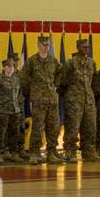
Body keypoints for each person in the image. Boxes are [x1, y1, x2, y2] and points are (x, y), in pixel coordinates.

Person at [21, 36, 63, 164]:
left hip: (52, 99)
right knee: (37, 127)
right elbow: (24, 77)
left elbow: (60, 73)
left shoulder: (53, 60)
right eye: (44, 45)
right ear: (38, 45)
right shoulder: (32, 61)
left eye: (48, 45)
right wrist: (32, 90)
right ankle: (34, 153)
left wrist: (54, 85)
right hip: (38, 100)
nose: (46, 47)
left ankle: (51, 153)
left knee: (53, 127)